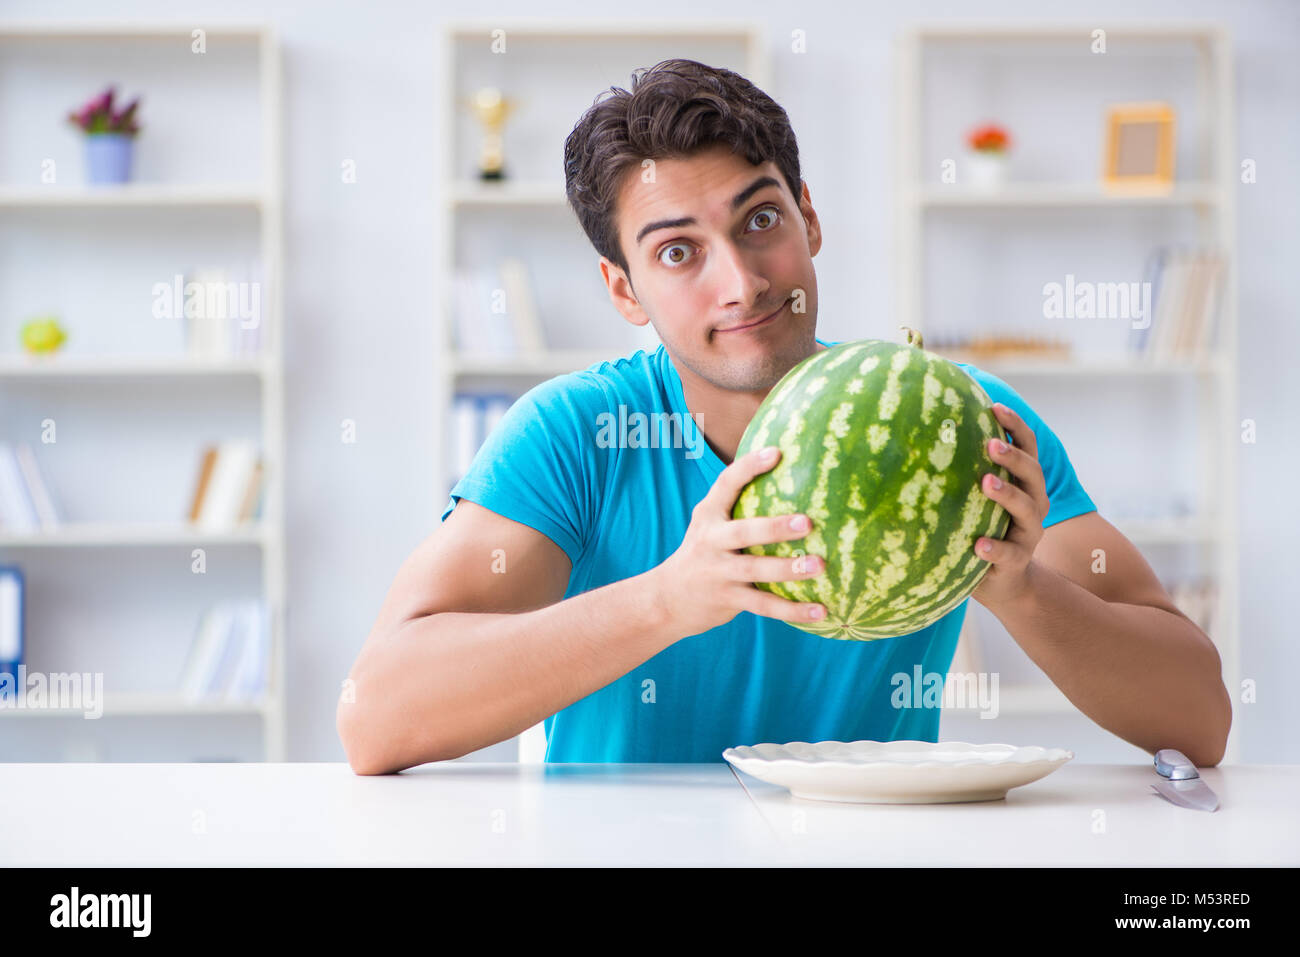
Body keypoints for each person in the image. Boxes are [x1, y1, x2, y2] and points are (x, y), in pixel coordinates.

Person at [338, 59, 1230, 773]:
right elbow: (376, 717)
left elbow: (1199, 719)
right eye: (679, 251)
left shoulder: (960, 419)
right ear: (624, 289)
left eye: (760, 219)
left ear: (808, 218)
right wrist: (669, 598)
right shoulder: (578, 433)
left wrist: (1018, 585)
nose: (742, 281)